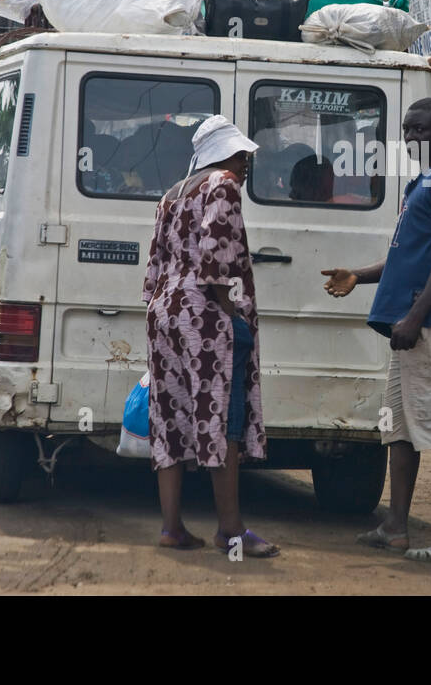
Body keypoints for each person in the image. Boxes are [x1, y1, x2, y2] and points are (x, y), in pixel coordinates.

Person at [321, 98, 431, 564]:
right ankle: (395, 526)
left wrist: (414, 317)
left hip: (430, 323)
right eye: (408, 131)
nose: (413, 139)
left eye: (421, 130)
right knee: (400, 427)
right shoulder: (423, 181)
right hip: (411, 323)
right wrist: (358, 275)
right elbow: (407, 254)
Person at [142, 114, 278, 558]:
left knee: (169, 418)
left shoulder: (171, 194)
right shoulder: (221, 184)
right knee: (222, 418)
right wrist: (228, 310)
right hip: (204, 314)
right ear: (225, 155)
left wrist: (166, 304)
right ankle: (231, 532)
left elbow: (154, 268)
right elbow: (218, 254)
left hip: (164, 312)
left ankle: (171, 527)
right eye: (242, 157)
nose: (245, 166)